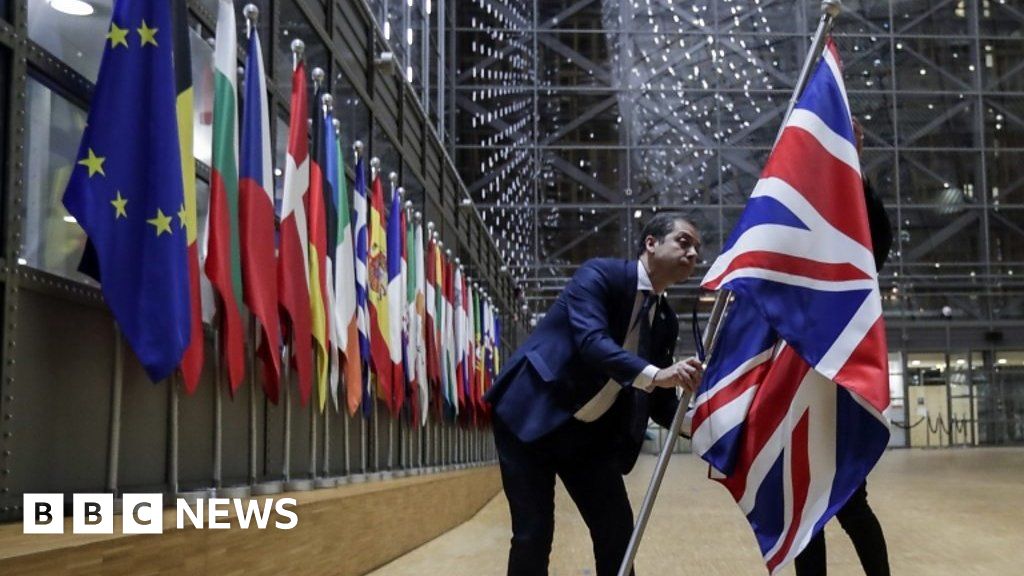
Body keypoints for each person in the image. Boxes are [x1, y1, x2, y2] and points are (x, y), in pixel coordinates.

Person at [484, 212, 704, 576]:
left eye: (698, 248)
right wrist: (658, 374)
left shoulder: (665, 321)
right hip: (531, 415)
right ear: (651, 243)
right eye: (684, 241)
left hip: (589, 436)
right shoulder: (598, 275)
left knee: (617, 535)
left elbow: (662, 403)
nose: (693, 253)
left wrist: (711, 426)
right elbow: (593, 344)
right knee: (533, 534)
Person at [794, 120, 893, 576]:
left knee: (852, 504)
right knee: (801, 514)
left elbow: (877, 238)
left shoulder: (854, 268)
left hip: (836, 380)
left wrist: (848, 161)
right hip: (793, 384)